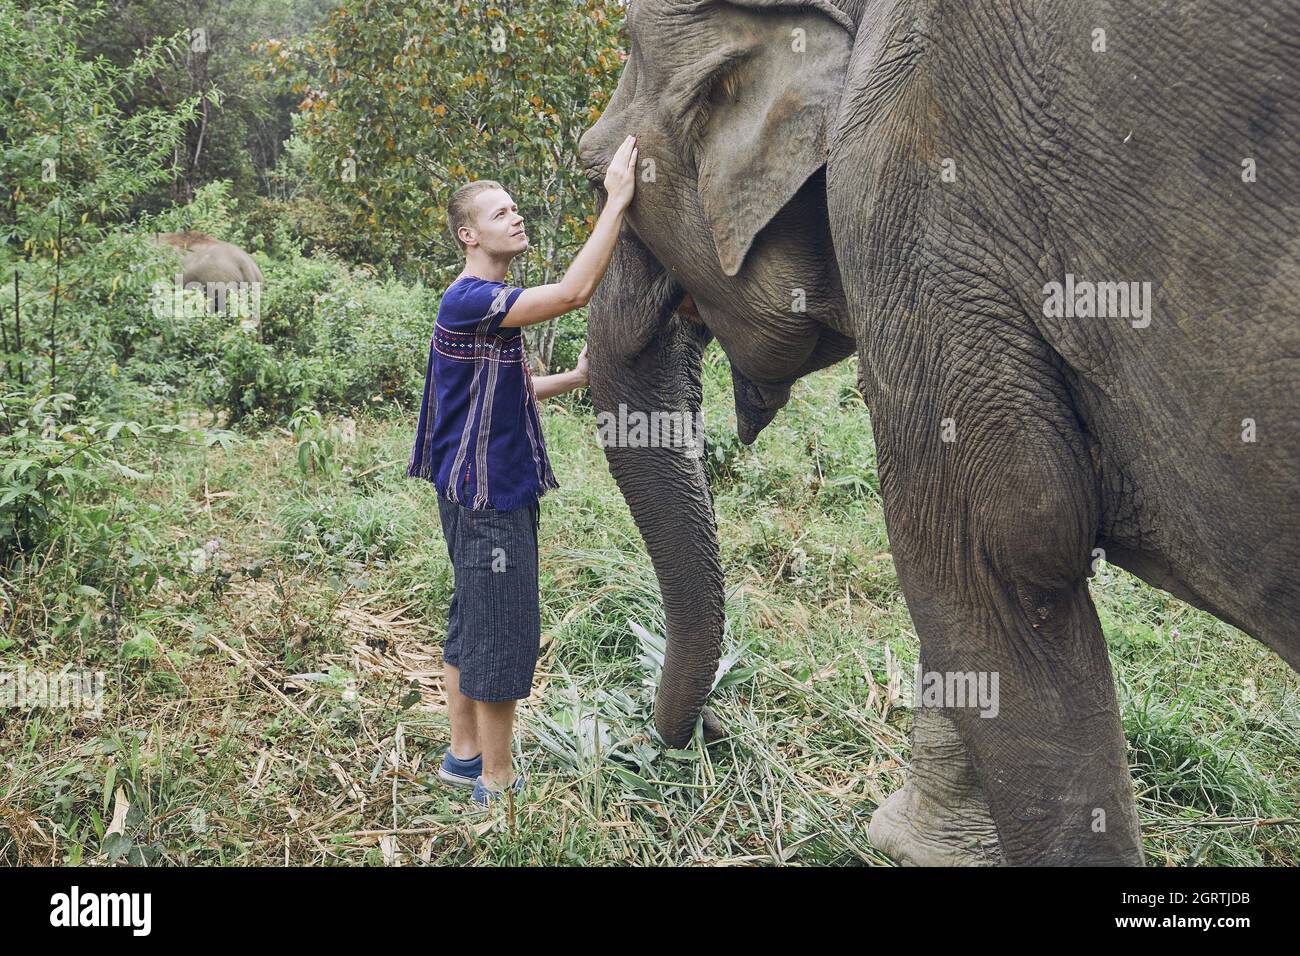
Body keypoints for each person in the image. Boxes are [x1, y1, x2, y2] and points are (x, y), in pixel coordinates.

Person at [406, 135, 639, 806]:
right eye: (500, 212)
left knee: (471, 621)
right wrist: (617, 200)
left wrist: (578, 377)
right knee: (503, 631)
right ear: (467, 234)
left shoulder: (483, 306)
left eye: (515, 208)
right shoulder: (472, 299)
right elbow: (572, 293)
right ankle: (498, 786)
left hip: (467, 488)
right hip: (490, 494)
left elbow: (513, 390)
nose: (516, 217)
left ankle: (462, 759)